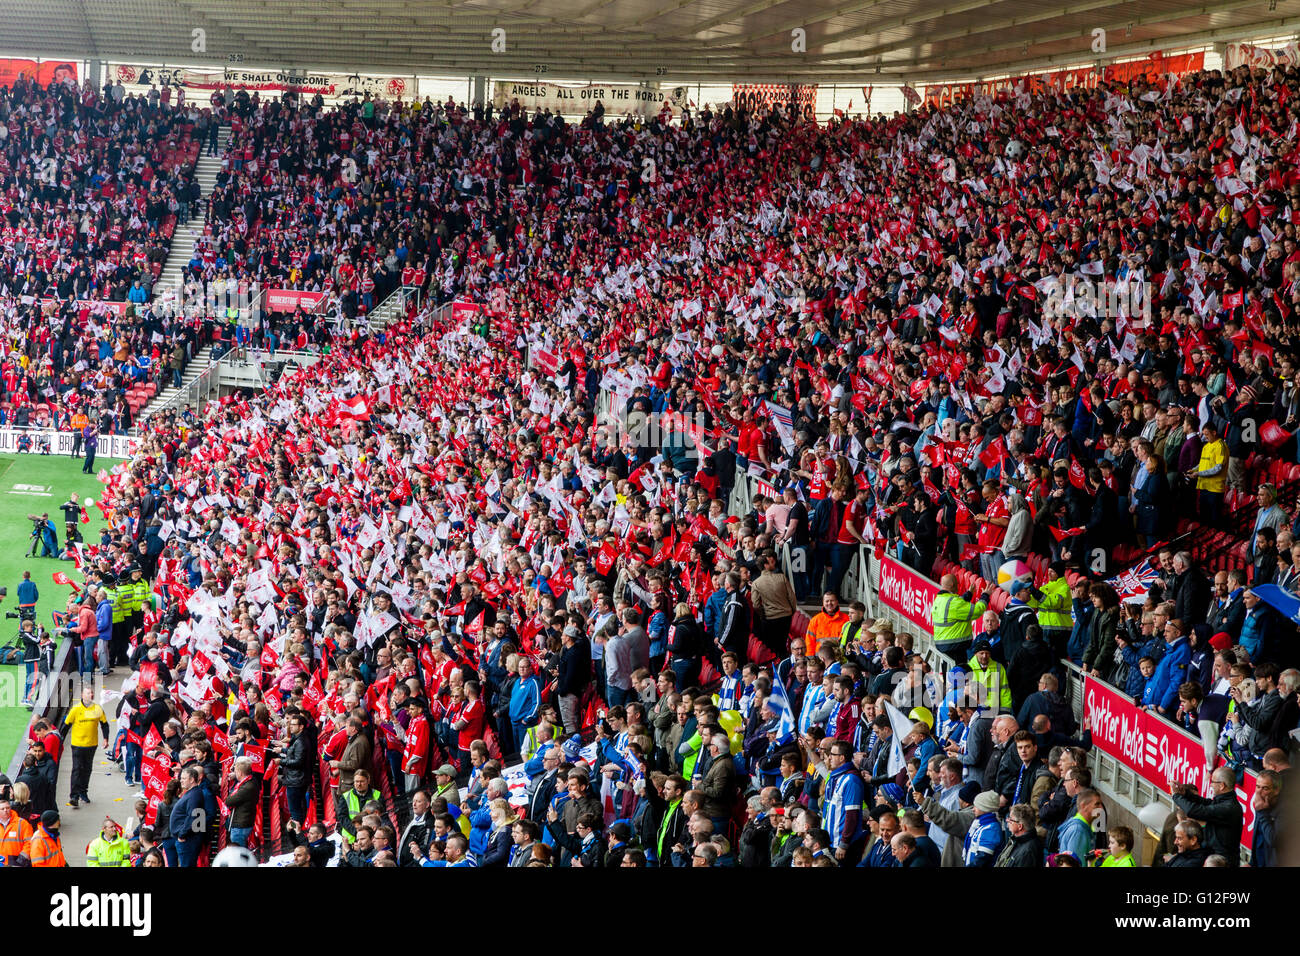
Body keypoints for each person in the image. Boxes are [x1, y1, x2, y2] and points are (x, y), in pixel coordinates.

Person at [1170, 768, 1243, 865]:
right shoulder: (1224, 802)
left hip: (1222, 863)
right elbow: (1205, 803)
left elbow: (1194, 811)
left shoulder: (1229, 808)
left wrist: (1176, 796)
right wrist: (1185, 793)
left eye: (1213, 781)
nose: (1211, 784)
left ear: (1222, 785)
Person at [61, 686, 109, 808]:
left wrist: (105, 738)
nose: (90, 695)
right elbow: (66, 725)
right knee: (77, 769)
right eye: (88, 693)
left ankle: (83, 792)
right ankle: (74, 796)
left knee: (87, 769)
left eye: (92, 693)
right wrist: (60, 740)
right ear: (82, 695)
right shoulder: (76, 709)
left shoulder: (97, 708)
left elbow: (104, 724)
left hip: (91, 745)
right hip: (77, 745)